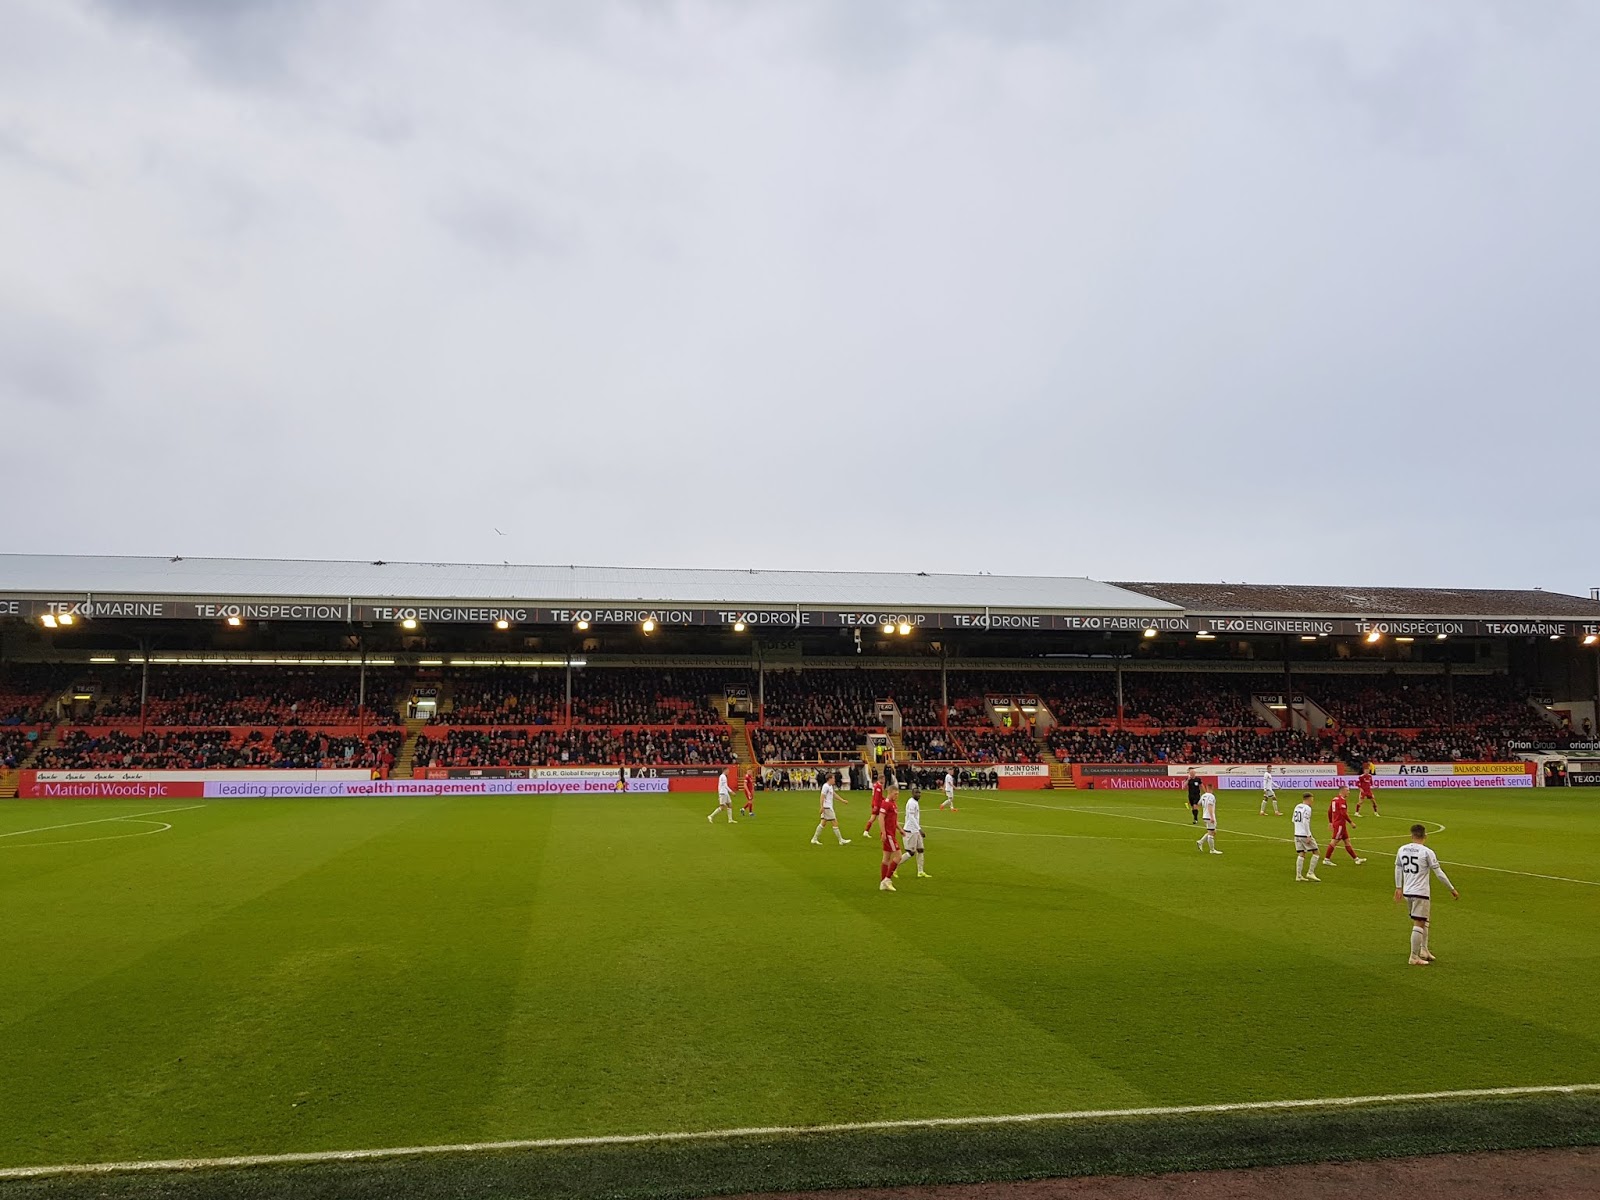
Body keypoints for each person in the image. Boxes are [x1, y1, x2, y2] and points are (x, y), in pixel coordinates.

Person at [1395, 823, 1457, 965]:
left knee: (1424, 919)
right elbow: (1439, 873)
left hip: (1407, 891)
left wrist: (1398, 887)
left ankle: (1424, 950)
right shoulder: (1426, 852)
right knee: (1419, 923)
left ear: (1411, 835)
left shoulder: (1402, 849)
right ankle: (1414, 956)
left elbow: (1398, 868)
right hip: (1420, 892)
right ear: (1425, 836)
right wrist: (1451, 888)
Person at [1321, 784, 1365, 866]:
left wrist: (1330, 822)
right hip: (1340, 824)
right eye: (1347, 790)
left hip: (1339, 824)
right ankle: (1326, 859)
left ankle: (1356, 859)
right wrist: (1351, 822)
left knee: (1347, 841)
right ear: (1343, 791)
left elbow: (1329, 811)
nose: (1349, 792)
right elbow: (1343, 813)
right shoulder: (1341, 800)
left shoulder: (1334, 799)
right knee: (1334, 841)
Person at [897, 785, 930, 878]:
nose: (918, 794)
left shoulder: (915, 802)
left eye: (919, 793)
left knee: (920, 850)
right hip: (910, 830)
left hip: (915, 830)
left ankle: (920, 871)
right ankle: (894, 867)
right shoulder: (912, 803)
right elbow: (911, 817)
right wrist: (919, 829)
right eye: (916, 793)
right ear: (912, 793)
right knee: (910, 852)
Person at [811, 772, 851, 845]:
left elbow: (834, 795)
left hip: (828, 807)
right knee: (835, 822)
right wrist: (822, 806)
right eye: (833, 778)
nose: (834, 780)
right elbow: (822, 797)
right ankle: (841, 840)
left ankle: (814, 839)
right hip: (827, 807)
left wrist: (842, 800)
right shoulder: (825, 786)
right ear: (829, 779)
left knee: (823, 823)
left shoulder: (830, 786)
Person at [878, 782, 902, 892]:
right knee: (898, 856)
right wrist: (883, 832)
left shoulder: (893, 804)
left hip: (892, 833)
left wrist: (900, 829)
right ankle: (887, 879)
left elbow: (894, 820)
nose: (897, 796)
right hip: (889, 835)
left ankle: (883, 882)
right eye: (896, 794)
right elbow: (881, 818)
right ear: (890, 793)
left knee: (886, 858)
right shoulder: (886, 803)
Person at [1292, 792, 1321, 881]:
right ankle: (1310, 873)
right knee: (1316, 852)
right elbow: (1305, 821)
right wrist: (1308, 835)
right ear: (1309, 799)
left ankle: (1299, 875)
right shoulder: (1307, 808)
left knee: (1301, 853)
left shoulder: (1297, 806)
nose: (1313, 801)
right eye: (1312, 799)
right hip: (1304, 834)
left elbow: (1293, 820)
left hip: (1296, 833)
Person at [1195, 788, 1220, 854]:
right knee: (1211, 833)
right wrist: (1212, 817)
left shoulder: (1203, 795)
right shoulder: (1211, 796)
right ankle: (1212, 850)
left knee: (1213, 832)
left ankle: (1200, 842)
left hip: (1205, 816)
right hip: (1209, 817)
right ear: (1212, 789)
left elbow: (1198, 803)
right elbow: (1209, 806)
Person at [864, 769, 886, 838]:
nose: (884, 781)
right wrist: (876, 806)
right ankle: (883, 833)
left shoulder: (876, 785)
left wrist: (885, 799)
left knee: (873, 818)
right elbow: (876, 797)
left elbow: (879, 796)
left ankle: (866, 831)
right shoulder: (878, 786)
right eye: (884, 779)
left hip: (876, 804)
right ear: (881, 779)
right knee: (882, 818)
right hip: (877, 805)